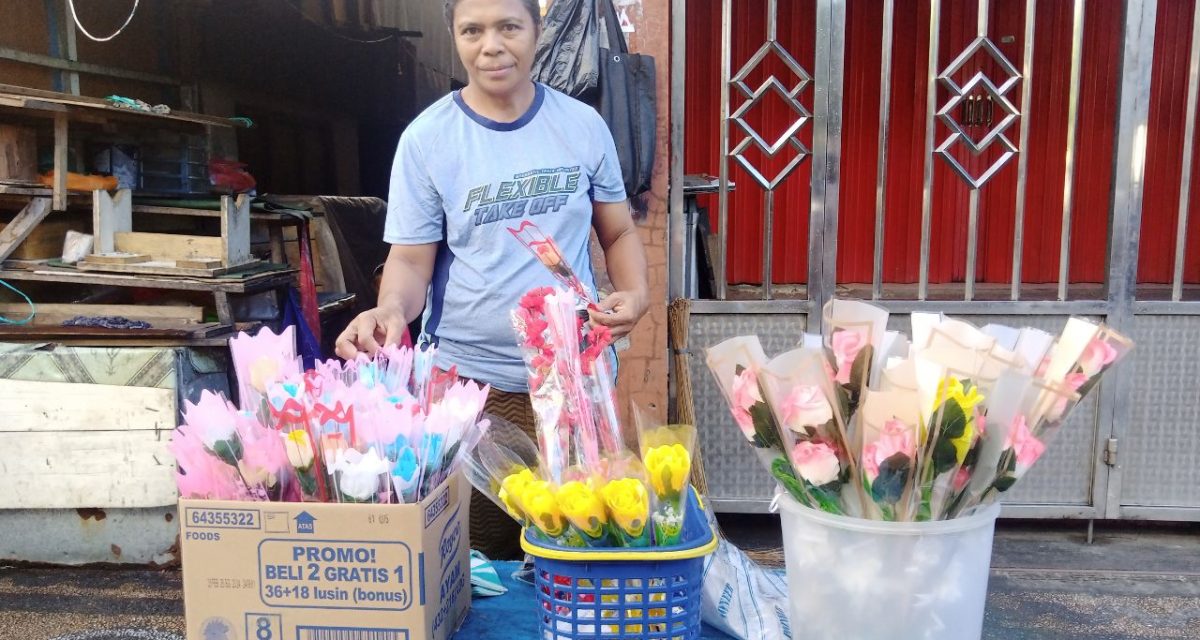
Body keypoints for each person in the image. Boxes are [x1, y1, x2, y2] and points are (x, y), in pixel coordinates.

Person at [335, 0, 649, 558]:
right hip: (471, 387)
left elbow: (619, 231)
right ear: (455, 36)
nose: (491, 45)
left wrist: (637, 294)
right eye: (472, 30)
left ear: (536, 29)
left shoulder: (582, 126)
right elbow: (410, 261)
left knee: (585, 546)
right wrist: (389, 311)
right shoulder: (428, 140)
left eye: (509, 26)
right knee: (479, 554)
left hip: (575, 382)